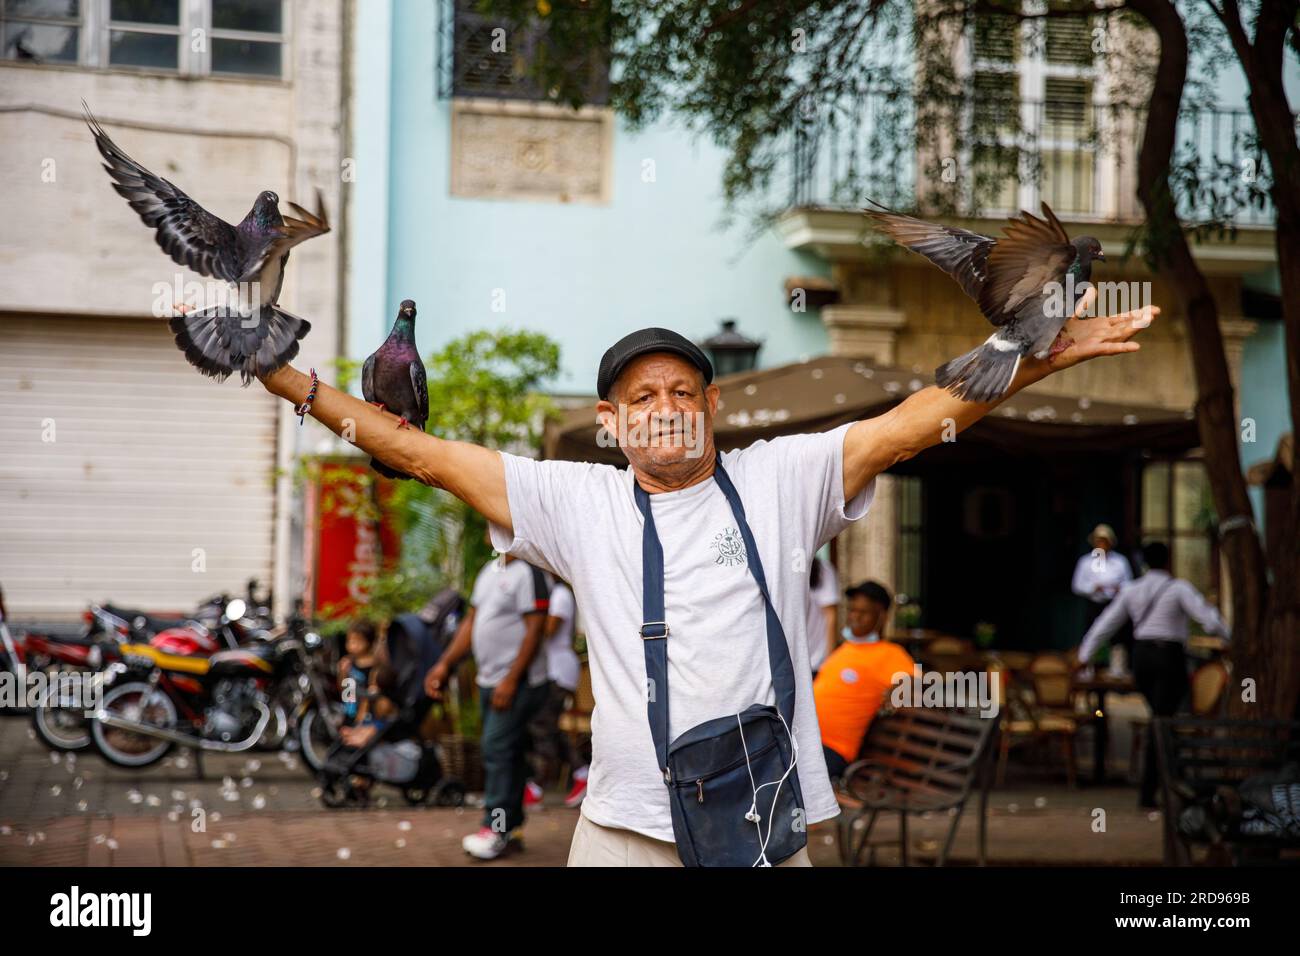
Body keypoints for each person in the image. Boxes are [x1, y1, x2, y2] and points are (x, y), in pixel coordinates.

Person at [259, 293, 1155, 866]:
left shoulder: (781, 478)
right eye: (642, 398)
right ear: (611, 421)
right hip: (623, 829)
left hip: (765, 823)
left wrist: (1045, 354)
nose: (666, 410)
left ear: (712, 406)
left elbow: (918, 421)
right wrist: (282, 373)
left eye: (683, 391)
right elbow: (416, 452)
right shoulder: (575, 501)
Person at [1076, 541, 1229, 808]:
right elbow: (1210, 620)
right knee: (1162, 723)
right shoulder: (1179, 588)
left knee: (1161, 721)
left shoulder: (1132, 590)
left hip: (1142, 659)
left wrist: (1084, 657)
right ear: (1168, 560)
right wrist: (1231, 638)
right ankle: (1155, 790)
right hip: (1168, 659)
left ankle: (1168, 784)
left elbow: (1105, 624)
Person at [423, 550, 552, 860]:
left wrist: (511, 679)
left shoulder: (530, 572)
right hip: (489, 680)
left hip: (518, 683)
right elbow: (472, 622)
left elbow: (536, 629)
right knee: (509, 753)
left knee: (496, 750)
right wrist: (445, 665)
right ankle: (513, 827)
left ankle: (495, 828)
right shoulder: (488, 569)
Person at [814, 581, 914, 780]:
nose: (855, 617)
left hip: (832, 750)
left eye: (864, 612)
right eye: (852, 610)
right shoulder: (845, 649)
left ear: (882, 617)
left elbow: (916, 685)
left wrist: (897, 693)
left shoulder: (890, 654)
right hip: (806, 741)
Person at [525, 577, 583, 804]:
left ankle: (541, 782)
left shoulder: (560, 595)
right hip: (552, 669)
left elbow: (548, 629)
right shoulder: (555, 593)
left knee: (543, 724)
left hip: (560, 669)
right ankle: (578, 773)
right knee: (547, 725)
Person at [1071, 523, 1133, 629]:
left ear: (1110, 543)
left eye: (1105, 541)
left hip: (1115, 604)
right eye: (1099, 541)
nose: (1102, 544)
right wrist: (1093, 588)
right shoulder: (1085, 561)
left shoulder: (1120, 561)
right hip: (1094, 605)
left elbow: (1129, 583)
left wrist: (1120, 589)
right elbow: (1077, 586)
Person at [805, 554, 840, 676]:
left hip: (816, 660)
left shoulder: (822, 569)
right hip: (783, 661)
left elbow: (830, 616)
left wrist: (829, 659)